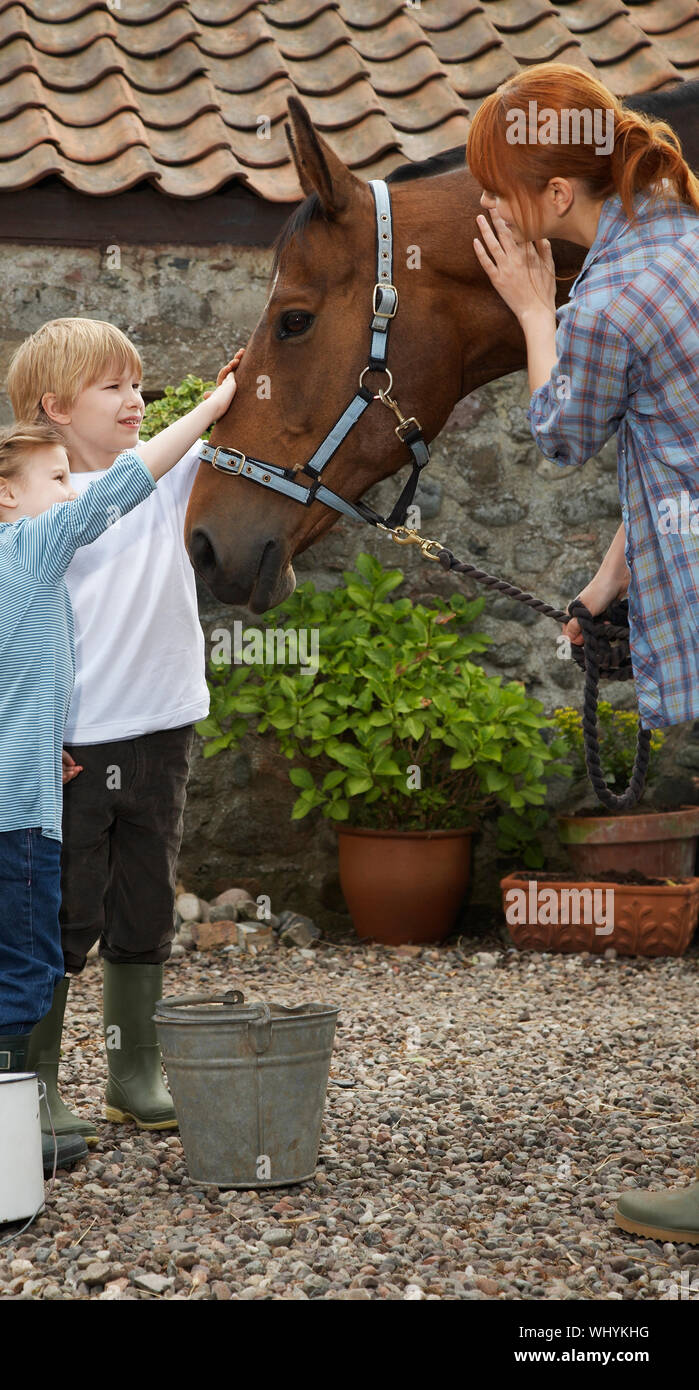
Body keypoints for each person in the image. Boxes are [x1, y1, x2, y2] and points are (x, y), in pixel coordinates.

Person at [0, 363, 236, 1175]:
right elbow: (118, 489)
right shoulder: (33, 544)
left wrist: (34, 739)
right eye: (53, 478)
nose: (68, 489)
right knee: (27, 968)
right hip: (14, 815)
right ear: (6, 496)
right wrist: (217, 402)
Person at [466, 61, 699, 1244]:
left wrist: (533, 309)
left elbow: (563, 437)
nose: (491, 216)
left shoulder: (610, 296)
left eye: (501, 196)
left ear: (556, 191)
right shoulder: (686, 235)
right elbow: (674, 445)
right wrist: (608, 586)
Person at [5, 319, 243, 1146]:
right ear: (55, 407)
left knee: (144, 909)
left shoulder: (173, 478)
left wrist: (246, 393)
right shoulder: (48, 502)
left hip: (162, 734)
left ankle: (130, 1075)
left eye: (139, 384)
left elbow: (225, 464)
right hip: (72, 748)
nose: (136, 400)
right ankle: (32, 1088)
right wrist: (210, 404)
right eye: (114, 386)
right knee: (62, 917)